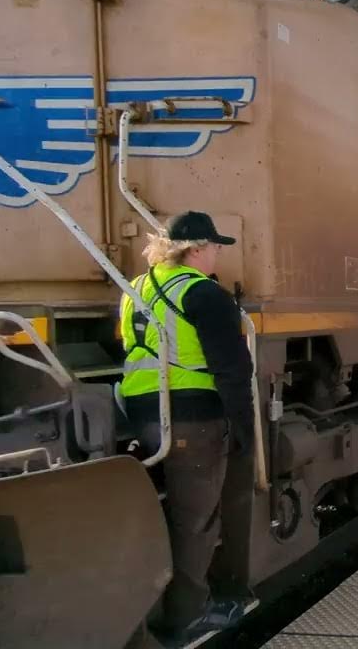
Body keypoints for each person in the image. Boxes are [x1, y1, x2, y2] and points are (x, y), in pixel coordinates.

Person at [118, 211, 255, 641]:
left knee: (164, 516)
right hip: (194, 418)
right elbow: (231, 367)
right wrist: (245, 429)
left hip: (143, 413)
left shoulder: (134, 289)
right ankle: (187, 614)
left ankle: (149, 601)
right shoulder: (204, 293)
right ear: (196, 249)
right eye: (215, 247)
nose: (218, 254)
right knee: (196, 518)